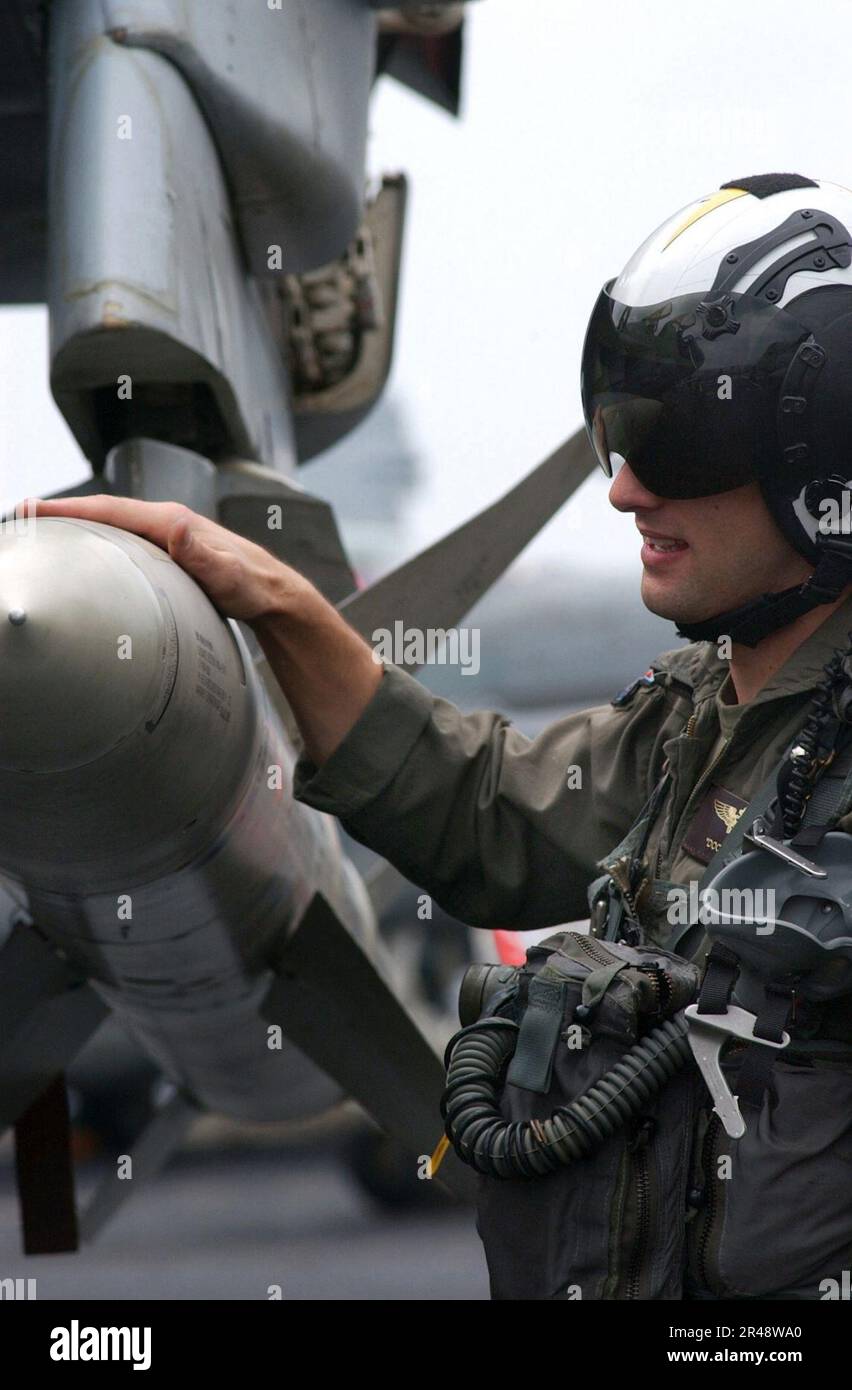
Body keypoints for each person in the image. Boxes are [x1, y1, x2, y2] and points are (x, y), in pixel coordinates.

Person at [30, 171, 852, 1299]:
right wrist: (278, 607)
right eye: (616, 433)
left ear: (822, 459)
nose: (624, 491)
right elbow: (491, 816)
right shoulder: (709, 716)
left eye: (678, 442)